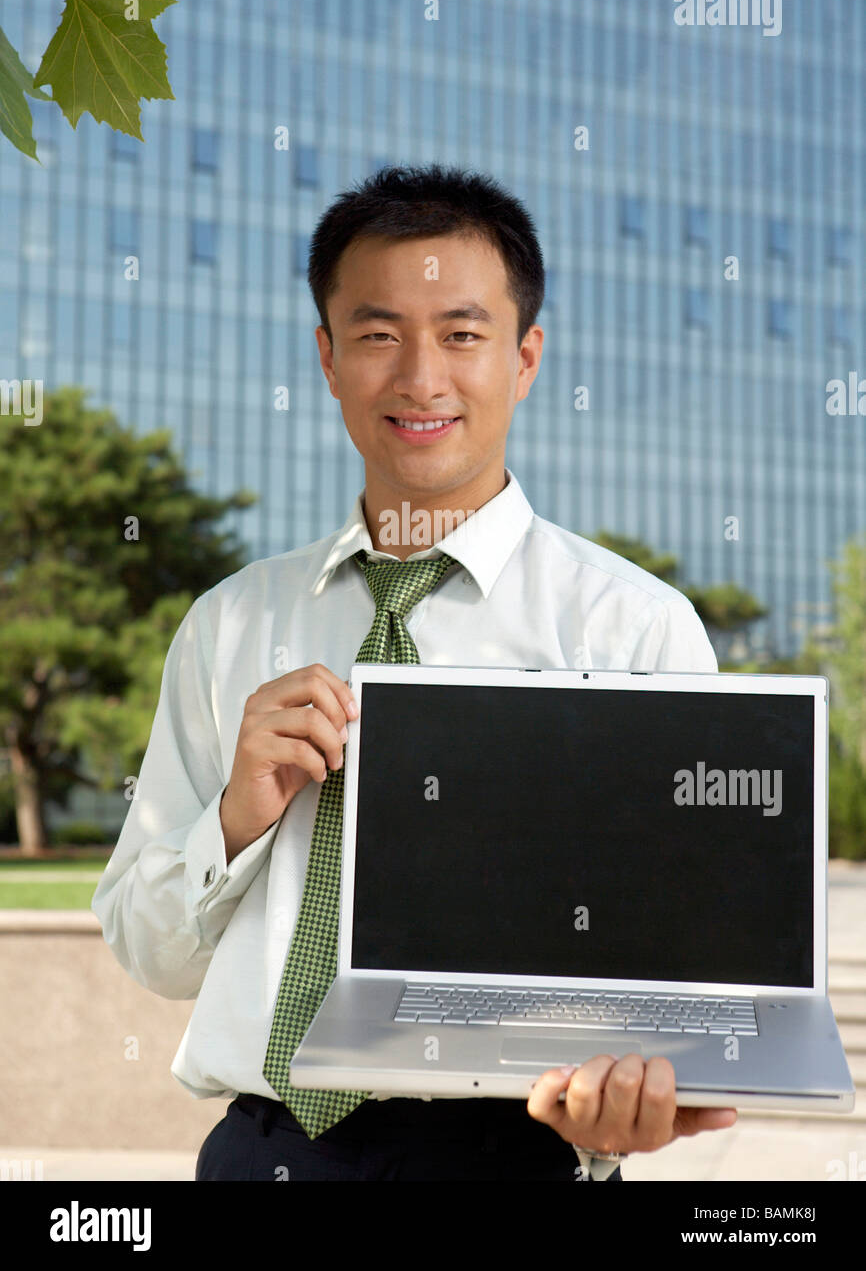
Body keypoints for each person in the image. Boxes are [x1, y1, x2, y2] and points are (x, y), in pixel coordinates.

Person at [92, 163, 738, 1181]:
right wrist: (233, 818)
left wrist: (626, 1100)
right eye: (378, 333)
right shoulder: (230, 623)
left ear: (526, 359)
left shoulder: (634, 630)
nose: (420, 377)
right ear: (327, 357)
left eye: (463, 334)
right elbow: (148, 950)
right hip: (264, 1154)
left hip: (518, 1156)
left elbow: (680, 979)